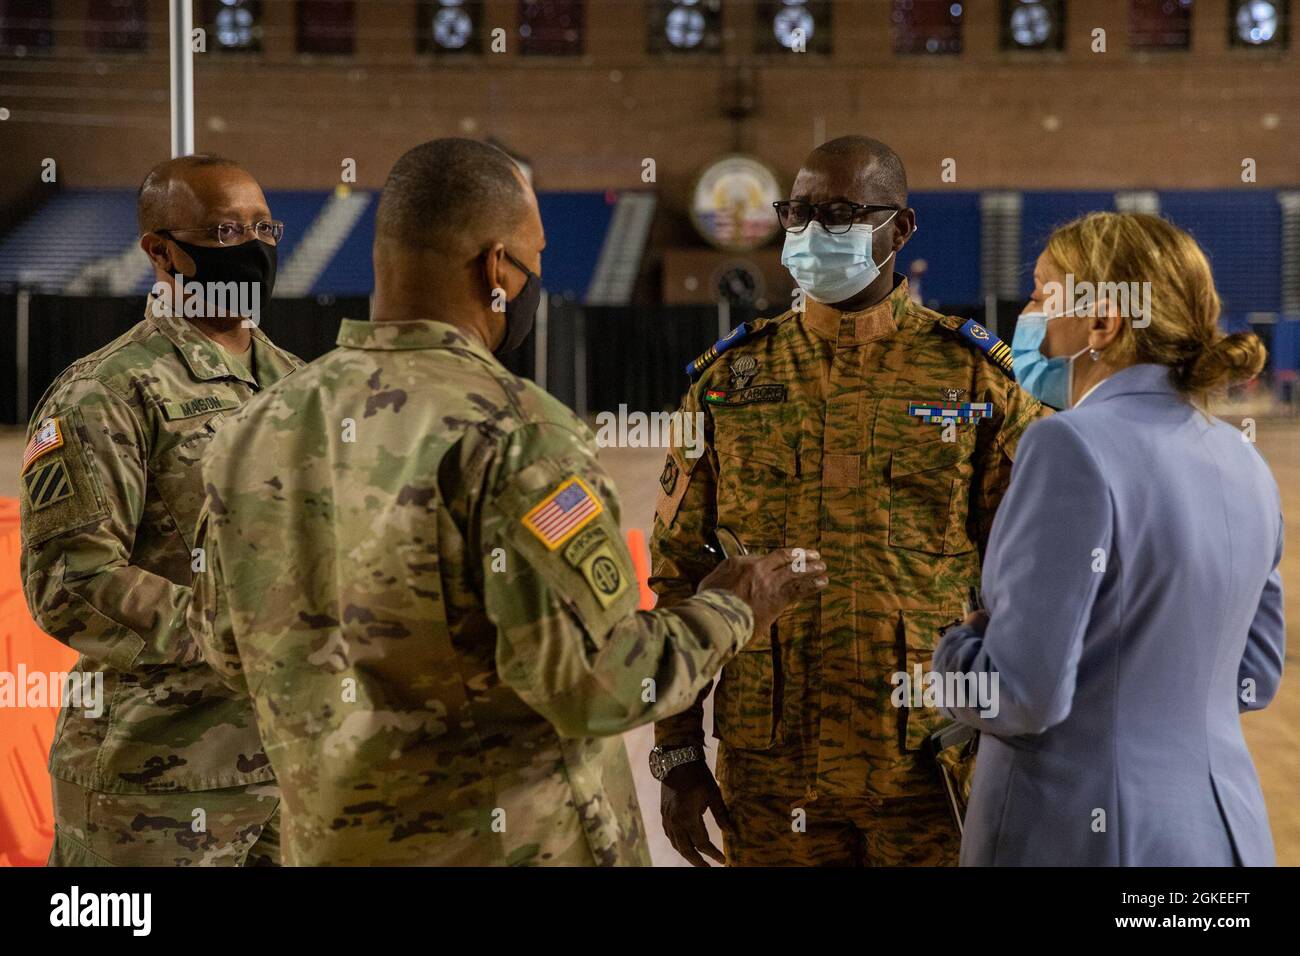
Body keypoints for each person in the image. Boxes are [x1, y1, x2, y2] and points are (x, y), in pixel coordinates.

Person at [187, 138, 826, 866]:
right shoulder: (518, 431)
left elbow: (227, 648)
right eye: (536, 259)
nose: (534, 280)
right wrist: (734, 605)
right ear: (497, 268)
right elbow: (599, 684)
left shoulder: (252, 429)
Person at [650, 135, 1046, 867]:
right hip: (770, 774)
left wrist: (1026, 748)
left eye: (838, 212)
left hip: (931, 768)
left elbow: (1034, 581)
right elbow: (678, 572)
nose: (809, 232)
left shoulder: (976, 381)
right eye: (797, 213)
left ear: (900, 229)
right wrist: (677, 753)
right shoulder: (730, 382)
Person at [934, 211, 1283, 866]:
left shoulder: (1070, 446)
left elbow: (1019, 696)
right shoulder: (1246, 464)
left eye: (1042, 294)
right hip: (1225, 840)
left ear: (1103, 323)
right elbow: (1255, 678)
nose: (1029, 312)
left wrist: (956, 647)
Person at [20, 154, 299, 866]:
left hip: (290, 774)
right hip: (153, 789)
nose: (254, 246)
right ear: (162, 250)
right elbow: (70, 581)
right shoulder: (105, 393)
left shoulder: (301, 388)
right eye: (225, 231)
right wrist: (229, 632)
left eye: (263, 227)